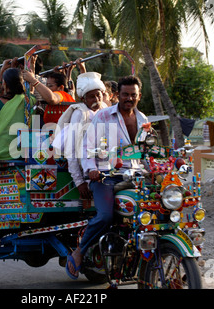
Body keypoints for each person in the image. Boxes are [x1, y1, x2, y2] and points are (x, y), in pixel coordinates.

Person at [65, 75, 148, 280]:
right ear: (117, 95)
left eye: (133, 95)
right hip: (106, 177)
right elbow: (86, 147)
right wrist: (91, 170)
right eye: (125, 94)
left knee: (154, 211)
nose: (129, 98)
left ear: (139, 96)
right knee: (105, 216)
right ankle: (80, 251)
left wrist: (155, 168)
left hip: (134, 176)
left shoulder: (143, 120)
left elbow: (148, 152)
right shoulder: (103, 117)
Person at [53, 72, 108, 200]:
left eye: (98, 95)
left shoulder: (105, 110)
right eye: (91, 97)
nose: (96, 100)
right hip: (88, 173)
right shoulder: (80, 114)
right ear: (83, 99)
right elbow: (71, 149)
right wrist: (79, 182)